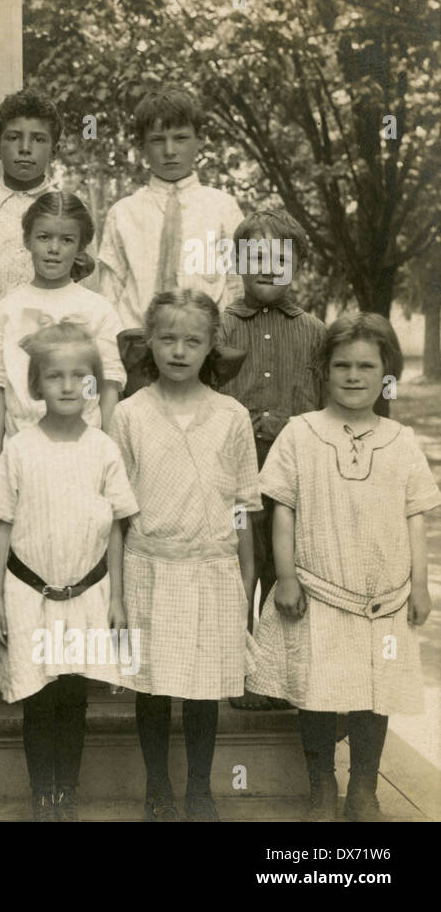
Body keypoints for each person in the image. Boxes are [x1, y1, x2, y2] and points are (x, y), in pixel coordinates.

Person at [247, 314, 438, 822]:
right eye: (342, 366)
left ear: (386, 373)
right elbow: (281, 509)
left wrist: (419, 585)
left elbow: (414, 514)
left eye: (366, 366)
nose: (353, 376)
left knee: (376, 693)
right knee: (318, 691)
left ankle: (364, 788)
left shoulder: (401, 439)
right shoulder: (300, 434)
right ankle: (321, 787)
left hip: (385, 596)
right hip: (320, 589)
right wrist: (286, 577)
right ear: (323, 371)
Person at [109, 289, 261, 821]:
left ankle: (199, 787)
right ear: (149, 341)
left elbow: (244, 505)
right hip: (150, 564)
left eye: (192, 340)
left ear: (211, 345)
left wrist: (245, 579)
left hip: (213, 569)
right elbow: (116, 512)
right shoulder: (129, 415)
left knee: (204, 688)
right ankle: (158, 788)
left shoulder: (231, 415)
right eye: (168, 338)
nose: (179, 350)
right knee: (152, 686)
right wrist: (118, 595)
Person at [0, 322, 139, 821]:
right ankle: (41, 794)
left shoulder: (104, 449)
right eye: (55, 376)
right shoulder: (21, 449)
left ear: (94, 385)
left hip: (87, 593)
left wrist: (115, 597)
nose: (69, 386)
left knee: (72, 697)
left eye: (80, 377)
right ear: (36, 386)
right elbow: (1, 527)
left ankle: (66, 792)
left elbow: (115, 527)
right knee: (38, 699)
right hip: (29, 593)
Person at [217, 209, 326, 711]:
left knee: (287, 565)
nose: (266, 267)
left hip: (292, 474)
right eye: (254, 256)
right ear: (237, 261)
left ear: (298, 264)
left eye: (280, 257)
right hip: (229, 473)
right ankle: (235, 668)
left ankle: (280, 675)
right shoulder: (217, 328)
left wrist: (288, 422)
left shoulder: (316, 333)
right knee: (239, 563)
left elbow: (325, 406)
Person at [0, 192, 124, 469]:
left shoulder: (99, 310)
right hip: (20, 453)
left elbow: (109, 389)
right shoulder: (5, 309)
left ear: (81, 246)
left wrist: (106, 456)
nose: (54, 248)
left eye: (66, 240)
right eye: (44, 237)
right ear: (27, 240)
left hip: (83, 454)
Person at [91, 86, 244, 335]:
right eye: (157, 140)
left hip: (205, 346)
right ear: (141, 145)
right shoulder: (123, 213)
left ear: (200, 139)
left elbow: (237, 285)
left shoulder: (223, 208)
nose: (170, 151)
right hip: (137, 343)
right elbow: (110, 293)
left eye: (181, 138)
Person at [0, 88, 63, 304]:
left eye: (38, 139)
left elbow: (87, 288)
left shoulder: (71, 210)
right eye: (14, 137)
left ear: (54, 152)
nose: (25, 148)